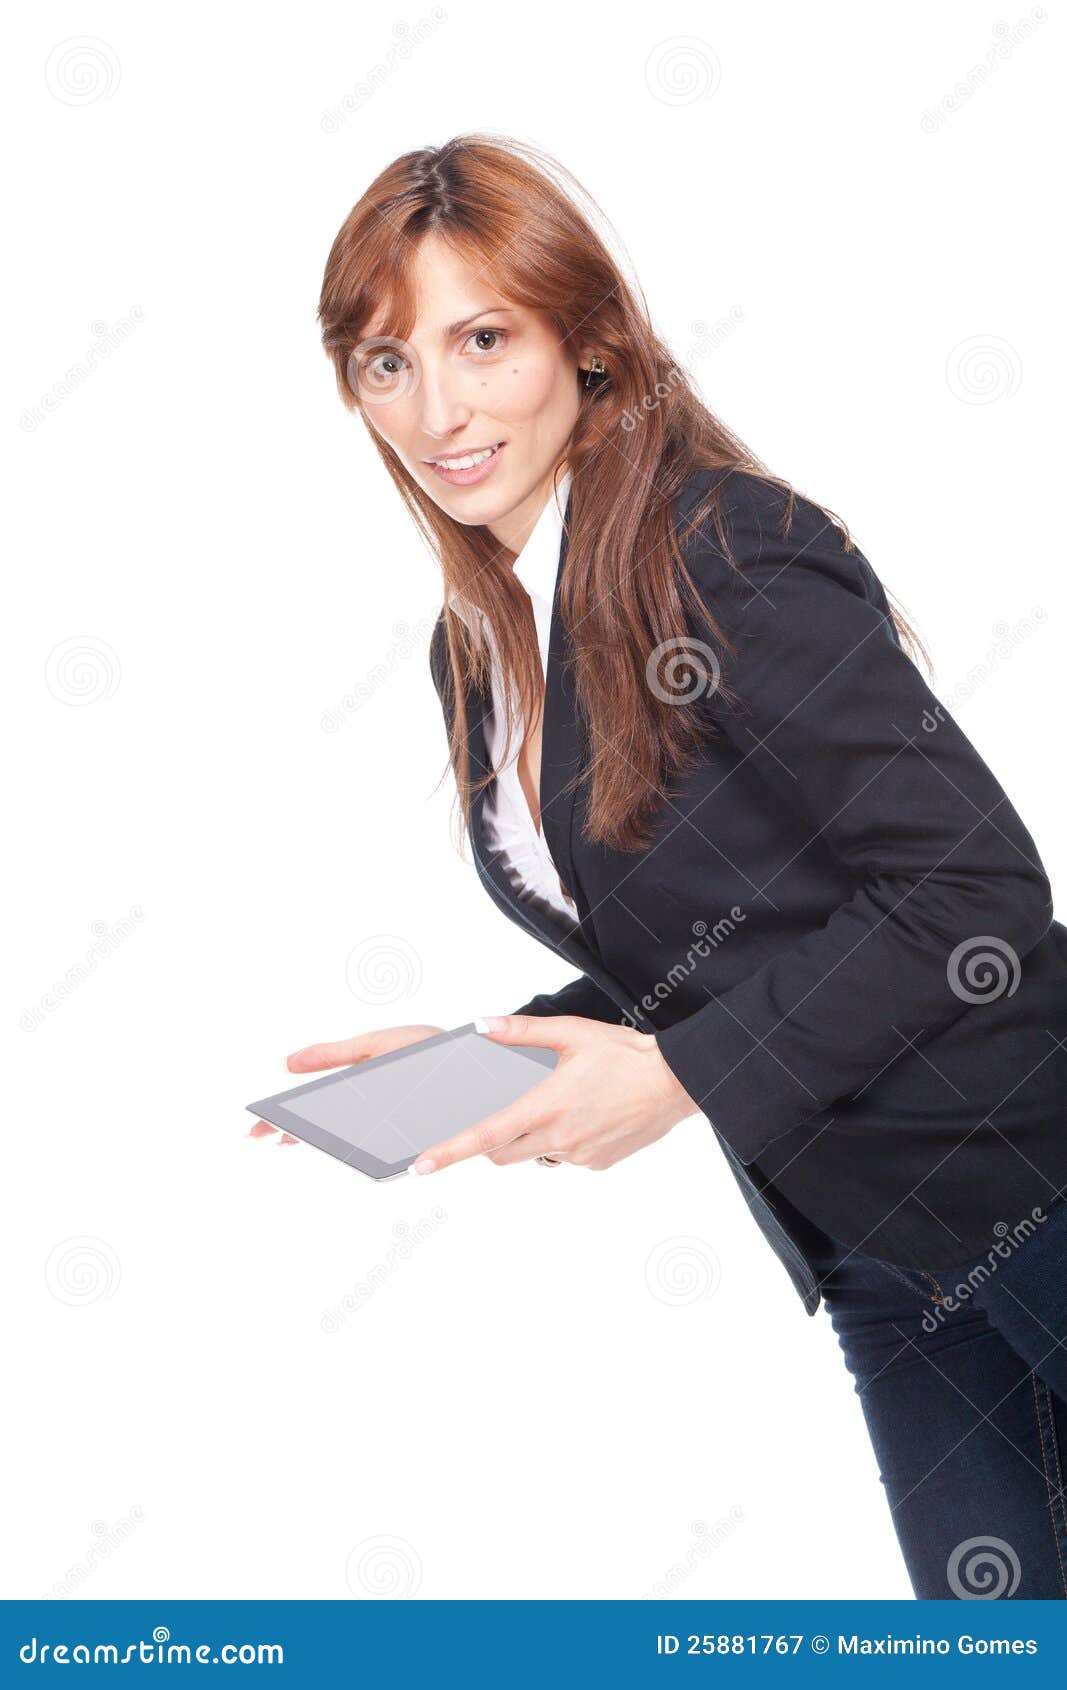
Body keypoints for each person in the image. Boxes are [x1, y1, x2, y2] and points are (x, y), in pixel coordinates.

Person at [252, 134, 1067, 1599]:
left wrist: (685, 1076)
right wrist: (495, 1059)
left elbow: (975, 893)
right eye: (385, 361)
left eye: (483, 340)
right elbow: (719, 930)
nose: (436, 410)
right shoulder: (484, 644)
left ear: (588, 340)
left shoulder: (725, 550)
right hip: (872, 1246)